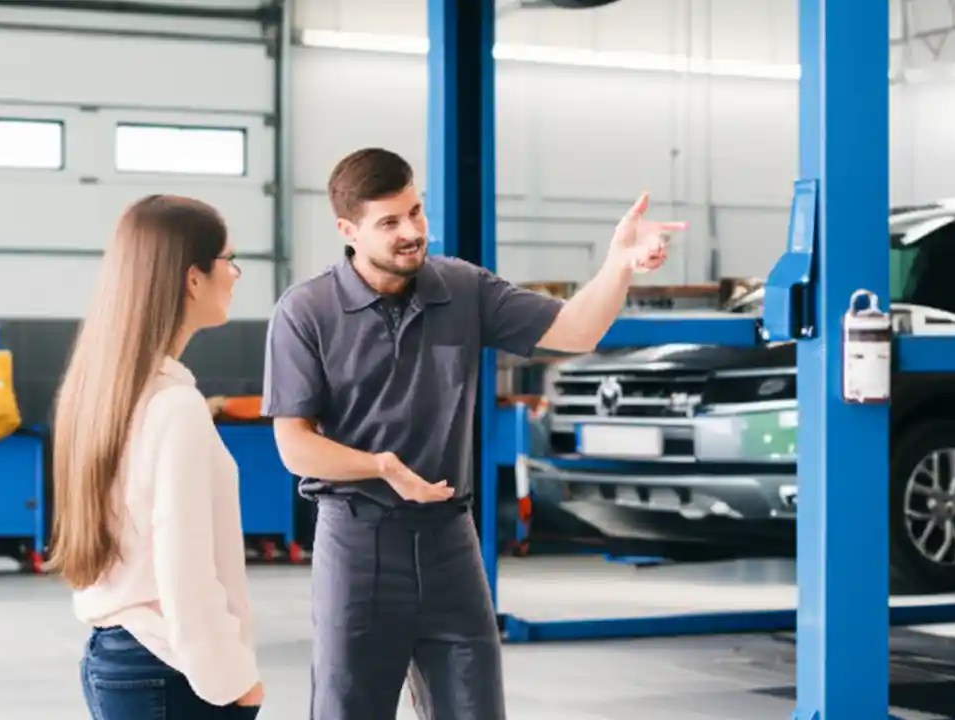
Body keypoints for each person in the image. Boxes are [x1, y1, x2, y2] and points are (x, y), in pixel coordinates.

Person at [262, 147, 686, 719]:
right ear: (348, 230)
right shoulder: (306, 311)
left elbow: (577, 329)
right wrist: (382, 466)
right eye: (389, 222)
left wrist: (619, 264)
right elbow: (295, 445)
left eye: (416, 212)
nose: (411, 231)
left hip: (449, 544)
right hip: (358, 545)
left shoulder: (462, 288)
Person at [52, 194, 265, 719]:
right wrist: (233, 680)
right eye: (228, 260)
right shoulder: (175, 407)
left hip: (118, 656)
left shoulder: (102, 392)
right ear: (193, 278)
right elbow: (185, 573)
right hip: (171, 671)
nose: (235, 275)